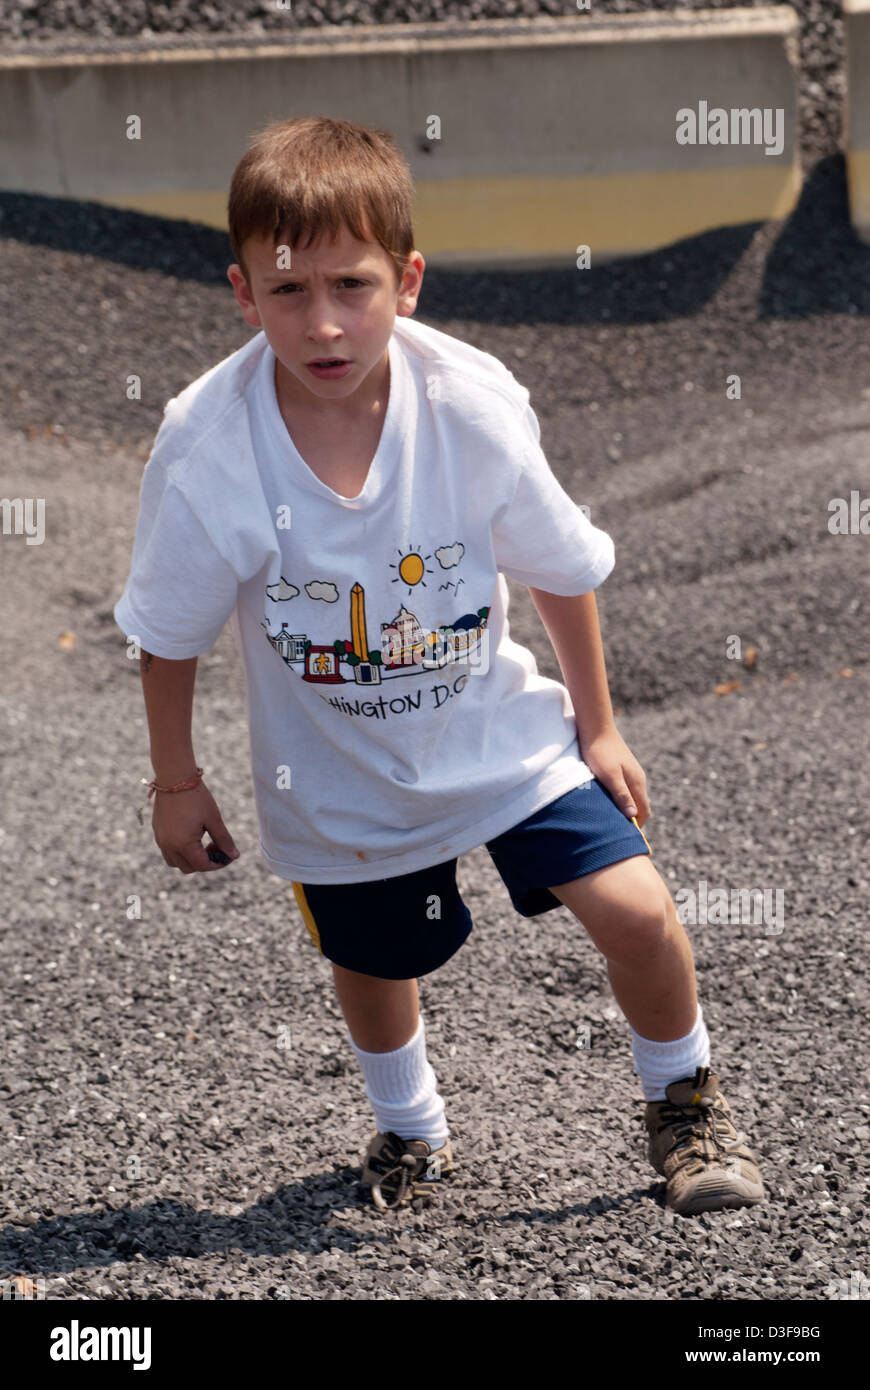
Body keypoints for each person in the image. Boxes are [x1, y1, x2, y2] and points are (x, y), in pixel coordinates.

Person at [114, 115, 765, 1218]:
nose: (322, 322)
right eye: (287, 293)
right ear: (241, 293)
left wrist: (597, 727)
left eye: (352, 285)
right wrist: (176, 779)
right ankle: (411, 1128)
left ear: (408, 280)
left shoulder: (469, 404)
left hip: (496, 733)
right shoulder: (208, 444)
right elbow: (167, 630)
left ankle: (686, 1103)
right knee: (375, 968)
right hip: (334, 770)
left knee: (642, 911)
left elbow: (561, 568)